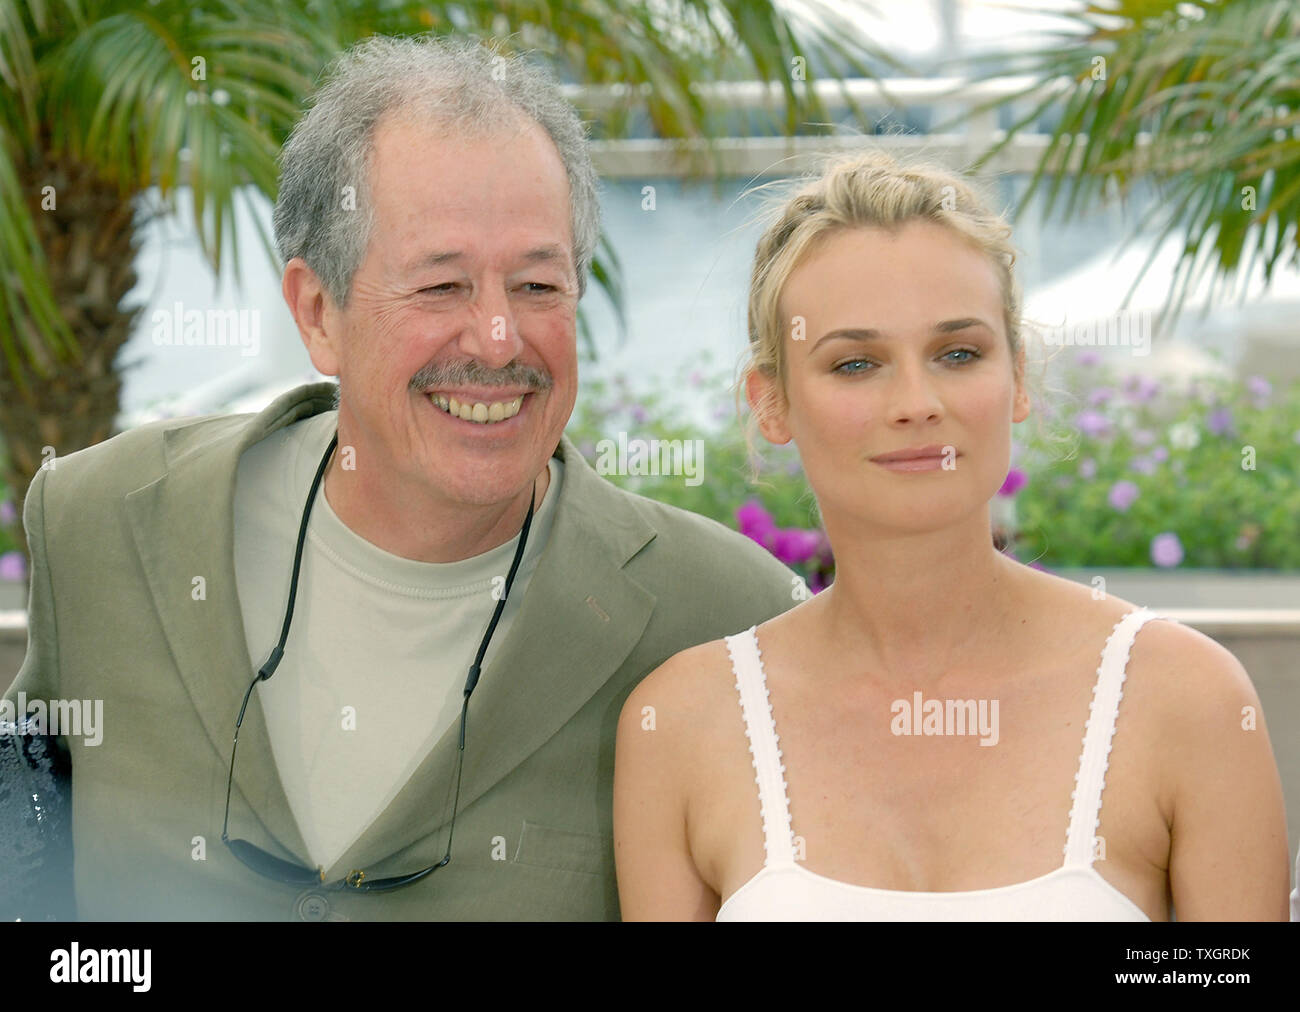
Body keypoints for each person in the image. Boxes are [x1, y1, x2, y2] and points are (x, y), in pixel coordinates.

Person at [0, 34, 799, 921]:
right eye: (441, 287)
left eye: (538, 286)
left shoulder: (726, 618)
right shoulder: (101, 525)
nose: (498, 339)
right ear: (317, 312)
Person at [613, 151, 1292, 921]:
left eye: (958, 353)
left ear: (1020, 377)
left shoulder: (1187, 701)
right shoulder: (682, 725)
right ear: (771, 404)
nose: (916, 401)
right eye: (856, 362)